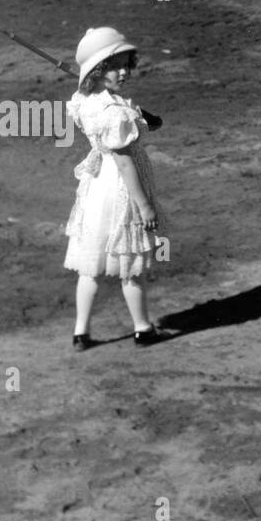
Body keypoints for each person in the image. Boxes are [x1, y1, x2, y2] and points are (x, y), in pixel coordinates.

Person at [63, 26, 166, 350]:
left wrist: (138, 115)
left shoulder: (87, 100)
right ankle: (142, 328)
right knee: (130, 266)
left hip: (96, 189)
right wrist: (145, 206)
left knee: (89, 266)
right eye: (113, 66)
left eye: (125, 64)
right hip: (123, 190)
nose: (123, 72)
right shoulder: (115, 111)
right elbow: (124, 161)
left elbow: (118, 115)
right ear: (97, 70)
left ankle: (81, 332)